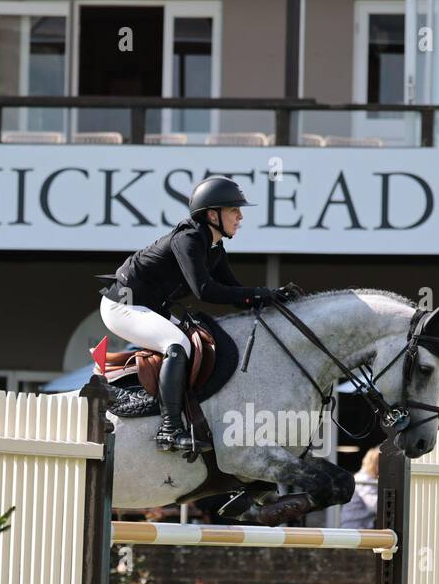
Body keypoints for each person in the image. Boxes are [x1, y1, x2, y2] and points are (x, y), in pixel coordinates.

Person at [99, 176, 298, 452]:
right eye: (233, 210)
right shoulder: (189, 238)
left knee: (199, 343)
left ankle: (191, 414)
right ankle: (169, 429)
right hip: (123, 305)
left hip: (149, 307)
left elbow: (236, 293)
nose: (240, 217)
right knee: (177, 346)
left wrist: (272, 298)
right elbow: (205, 290)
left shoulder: (214, 246)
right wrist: (260, 293)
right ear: (212, 214)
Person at [340, 447, 381, 530]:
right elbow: (375, 505)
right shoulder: (364, 479)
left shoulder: (365, 478)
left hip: (359, 527)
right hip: (354, 529)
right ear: (375, 463)